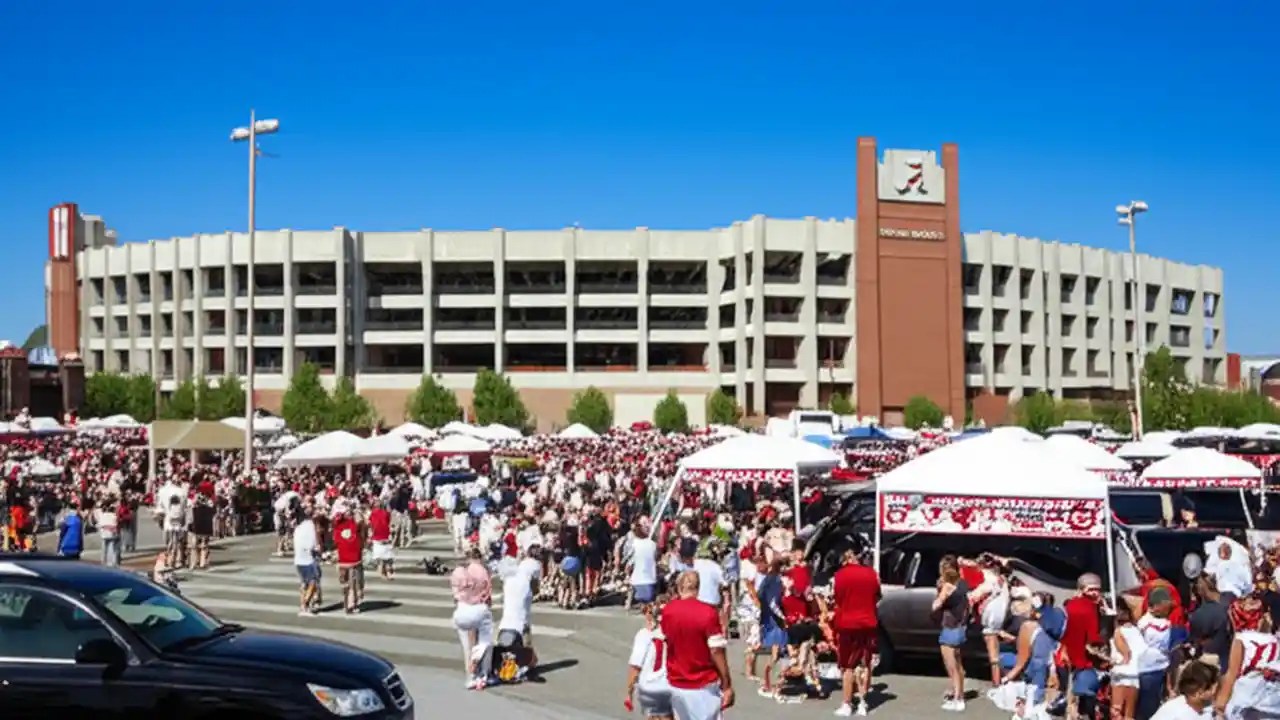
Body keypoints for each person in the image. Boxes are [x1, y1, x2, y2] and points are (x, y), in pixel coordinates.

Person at [660, 571, 734, 720]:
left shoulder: (668, 611)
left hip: (676, 682)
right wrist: (726, 683)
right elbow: (716, 650)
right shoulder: (708, 613)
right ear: (698, 587)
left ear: (679, 587)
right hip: (703, 685)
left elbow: (665, 643)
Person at [1213, 595, 1280, 719]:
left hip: (1249, 689)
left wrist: (1221, 703)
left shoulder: (1241, 638)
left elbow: (1232, 673)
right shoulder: (1275, 640)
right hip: (1272, 692)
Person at [832, 549, 880, 717]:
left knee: (847, 666)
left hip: (847, 623)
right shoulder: (871, 574)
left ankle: (847, 703)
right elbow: (877, 596)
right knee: (865, 663)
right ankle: (863, 702)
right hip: (868, 622)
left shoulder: (840, 575)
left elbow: (837, 598)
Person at [1060, 573, 1104, 719]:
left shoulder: (1070, 604)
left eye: (1097, 589)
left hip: (1065, 653)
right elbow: (1093, 638)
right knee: (1082, 693)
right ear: (1082, 589)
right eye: (1092, 589)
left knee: (1069, 691)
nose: (1095, 593)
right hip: (1082, 657)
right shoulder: (1090, 608)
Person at [451, 548, 495, 690]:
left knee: (467, 645)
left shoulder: (460, 572)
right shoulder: (484, 572)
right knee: (485, 643)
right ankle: (484, 674)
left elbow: (455, 595)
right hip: (479, 608)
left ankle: (470, 677)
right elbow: (488, 597)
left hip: (462, 609)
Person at [625, 596, 673, 720]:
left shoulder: (644, 635)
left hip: (649, 687)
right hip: (669, 686)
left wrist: (629, 692)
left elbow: (635, 667)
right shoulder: (677, 634)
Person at [933, 555, 970, 712]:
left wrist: (940, 591)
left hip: (949, 628)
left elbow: (935, 606)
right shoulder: (963, 585)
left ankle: (958, 699)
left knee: (951, 666)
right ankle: (959, 694)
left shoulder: (947, 587)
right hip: (960, 627)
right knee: (959, 666)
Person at [1136, 587, 1176, 720]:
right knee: (1148, 707)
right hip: (1147, 670)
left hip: (1163, 668)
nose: (1168, 609)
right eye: (1165, 606)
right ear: (1156, 606)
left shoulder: (1167, 623)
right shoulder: (1144, 624)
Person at [1110, 603, 1146, 720]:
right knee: (1129, 715)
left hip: (1121, 674)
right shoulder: (1138, 632)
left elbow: (1126, 656)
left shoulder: (1118, 632)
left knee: (1116, 713)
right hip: (1135, 675)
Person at [1151, 661, 1218, 720]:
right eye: (1210, 688)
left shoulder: (1210, 709)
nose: (1215, 690)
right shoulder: (1174, 713)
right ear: (1196, 693)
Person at [332, 509, 363, 614]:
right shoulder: (354, 525)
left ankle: (348, 604)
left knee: (346, 585)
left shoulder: (337, 528)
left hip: (343, 560)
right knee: (351, 584)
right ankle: (350, 605)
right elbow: (361, 520)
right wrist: (356, 511)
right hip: (353, 560)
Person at [293, 510, 321, 616]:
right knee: (313, 583)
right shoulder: (310, 527)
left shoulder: (298, 528)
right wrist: (317, 550)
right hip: (308, 559)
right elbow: (312, 545)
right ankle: (305, 605)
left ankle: (303, 605)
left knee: (304, 583)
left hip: (298, 559)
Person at [629, 522, 659, 607]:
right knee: (648, 598)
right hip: (649, 578)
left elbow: (629, 559)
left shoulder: (634, 543)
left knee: (643, 597)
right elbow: (656, 557)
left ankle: (635, 600)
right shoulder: (652, 544)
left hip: (637, 578)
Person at [369, 501, 395, 580]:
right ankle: (386, 572)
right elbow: (388, 522)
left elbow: (371, 524)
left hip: (380, 536)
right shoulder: (384, 513)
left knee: (383, 557)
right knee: (386, 557)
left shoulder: (373, 514)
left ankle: (385, 572)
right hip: (382, 536)